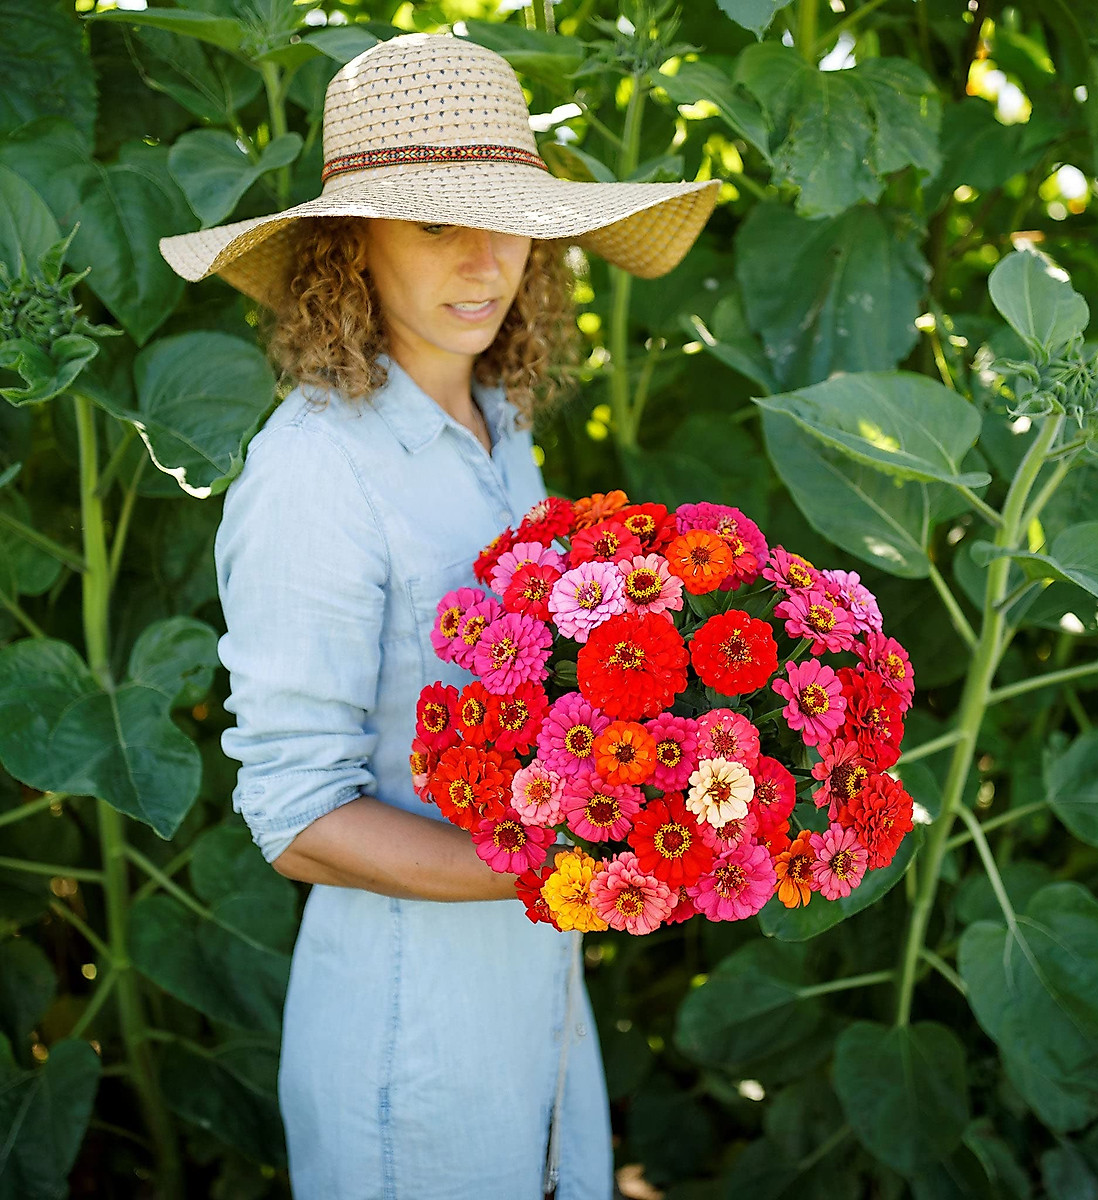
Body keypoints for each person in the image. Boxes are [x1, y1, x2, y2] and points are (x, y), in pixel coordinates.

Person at [159, 31, 717, 1200]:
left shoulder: (500, 423)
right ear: (344, 246)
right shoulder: (317, 474)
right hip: (410, 1051)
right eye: (432, 224)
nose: (485, 261)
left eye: (506, 217)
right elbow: (297, 814)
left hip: (541, 1011)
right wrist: (580, 863)